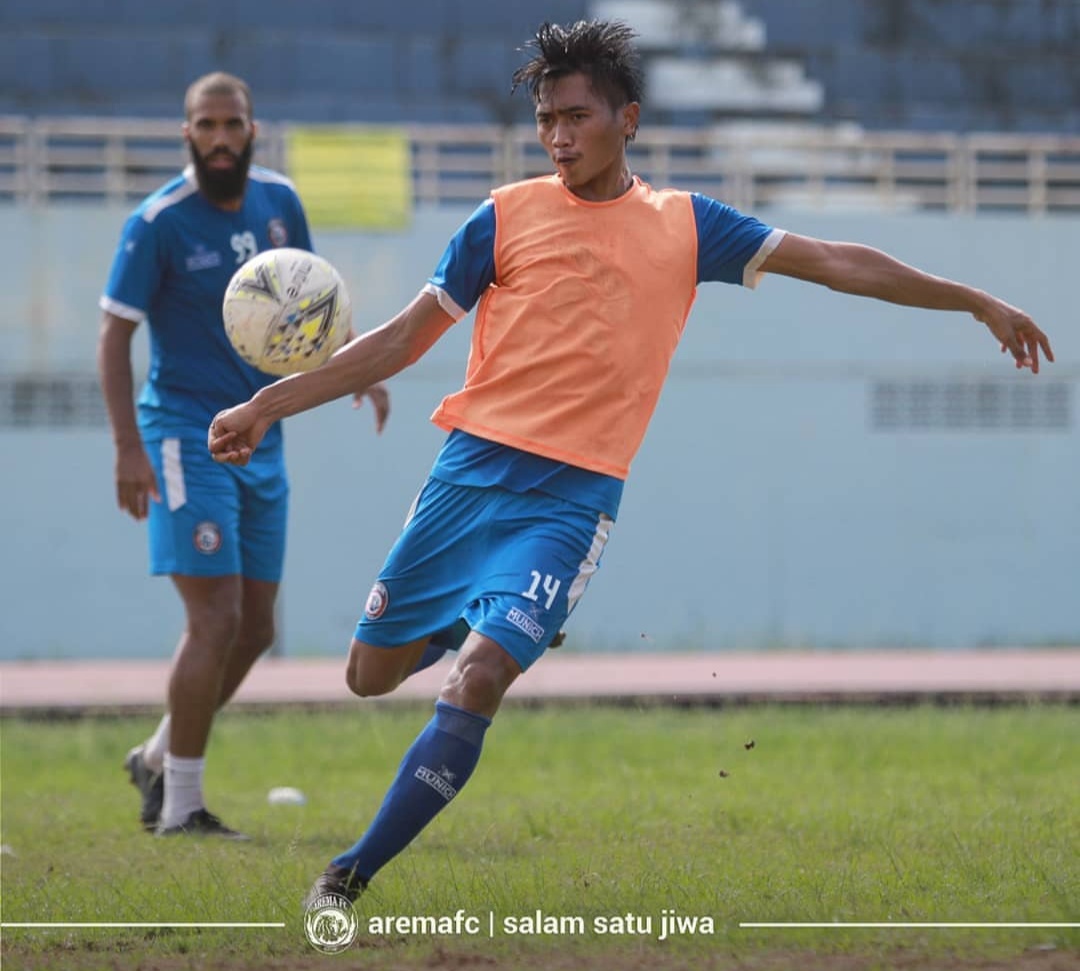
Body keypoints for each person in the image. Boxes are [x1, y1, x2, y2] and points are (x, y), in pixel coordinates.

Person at [207, 20, 1052, 894]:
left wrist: (972, 299)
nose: (559, 137)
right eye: (547, 120)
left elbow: (835, 260)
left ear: (629, 119)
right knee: (368, 675)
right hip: (468, 477)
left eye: (577, 116)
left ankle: (348, 875)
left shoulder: (689, 224)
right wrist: (266, 404)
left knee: (479, 679)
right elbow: (399, 341)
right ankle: (476, 615)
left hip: (570, 503)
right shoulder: (502, 216)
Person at [97, 71, 390, 839]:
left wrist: (359, 364)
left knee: (256, 626)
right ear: (187, 133)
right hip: (184, 436)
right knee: (215, 617)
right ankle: (180, 807)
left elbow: (314, 303)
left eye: (233, 124)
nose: (221, 138)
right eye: (207, 125)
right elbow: (114, 334)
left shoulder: (280, 202)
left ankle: (155, 757)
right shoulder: (157, 222)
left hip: (260, 433)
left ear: (253, 129)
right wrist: (128, 447)